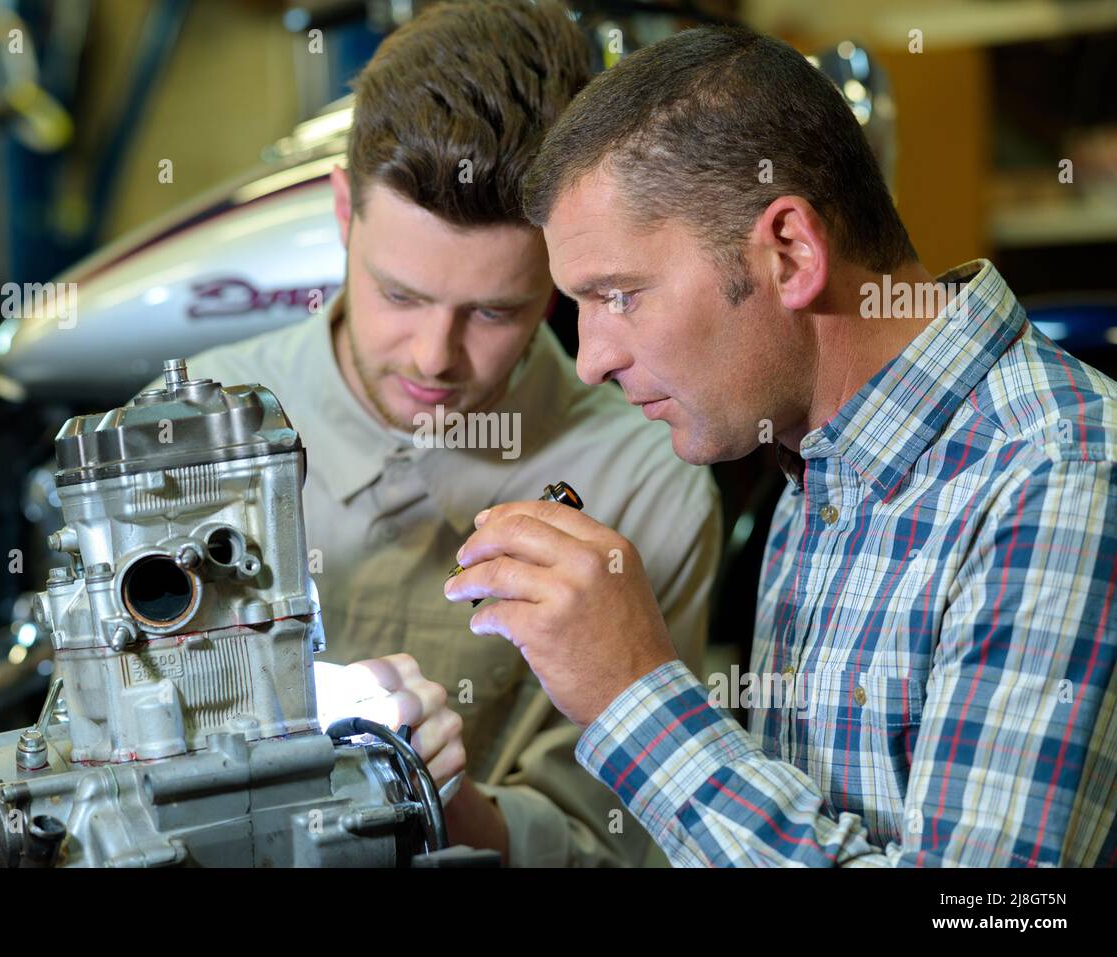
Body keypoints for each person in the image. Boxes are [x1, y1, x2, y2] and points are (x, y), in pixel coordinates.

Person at [446, 24, 1117, 866]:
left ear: (791, 252)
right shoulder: (820, 459)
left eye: (620, 295)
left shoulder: (1057, 477)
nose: (590, 361)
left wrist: (635, 696)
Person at [147, 0, 720, 866]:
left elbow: (611, 847)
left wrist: (444, 798)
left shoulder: (645, 487)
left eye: (494, 310)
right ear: (344, 211)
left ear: (565, 268)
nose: (434, 356)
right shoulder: (190, 431)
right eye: (401, 295)